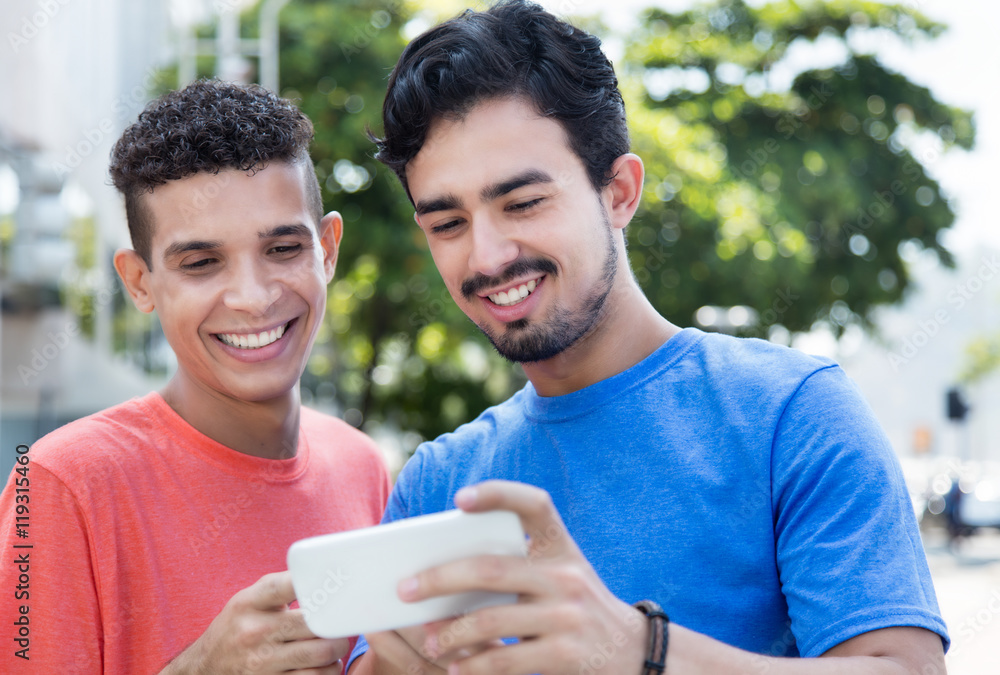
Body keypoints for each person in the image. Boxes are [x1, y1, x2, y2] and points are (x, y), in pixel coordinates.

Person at [346, 2, 949, 674]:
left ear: (620, 192)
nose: (486, 256)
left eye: (522, 203)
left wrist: (642, 651)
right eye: (447, 223)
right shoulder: (435, 485)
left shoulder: (792, 414)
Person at [0, 80, 391, 674]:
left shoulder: (362, 468)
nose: (253, 298)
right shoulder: (59, 485)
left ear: (328, 250)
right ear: (139, 282)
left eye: (283, 248)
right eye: (202, 263)